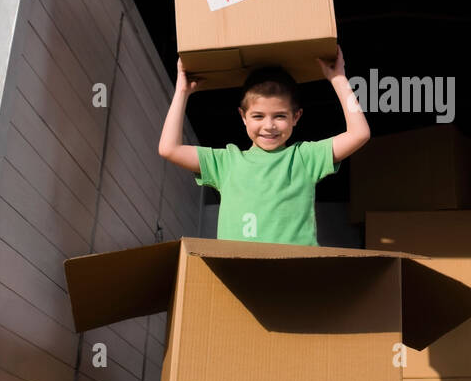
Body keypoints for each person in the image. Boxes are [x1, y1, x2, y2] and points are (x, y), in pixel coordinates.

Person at [157, 45, 370, 246]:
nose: (269, 126)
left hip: (294, 271)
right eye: (258, 116)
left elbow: (359, 134)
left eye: (280, 116)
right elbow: (169, 148)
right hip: (240, 273)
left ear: (296, 117)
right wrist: (181, 92)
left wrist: (339, 79)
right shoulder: (226, 161)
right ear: (243, 117)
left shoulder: (304, 157)